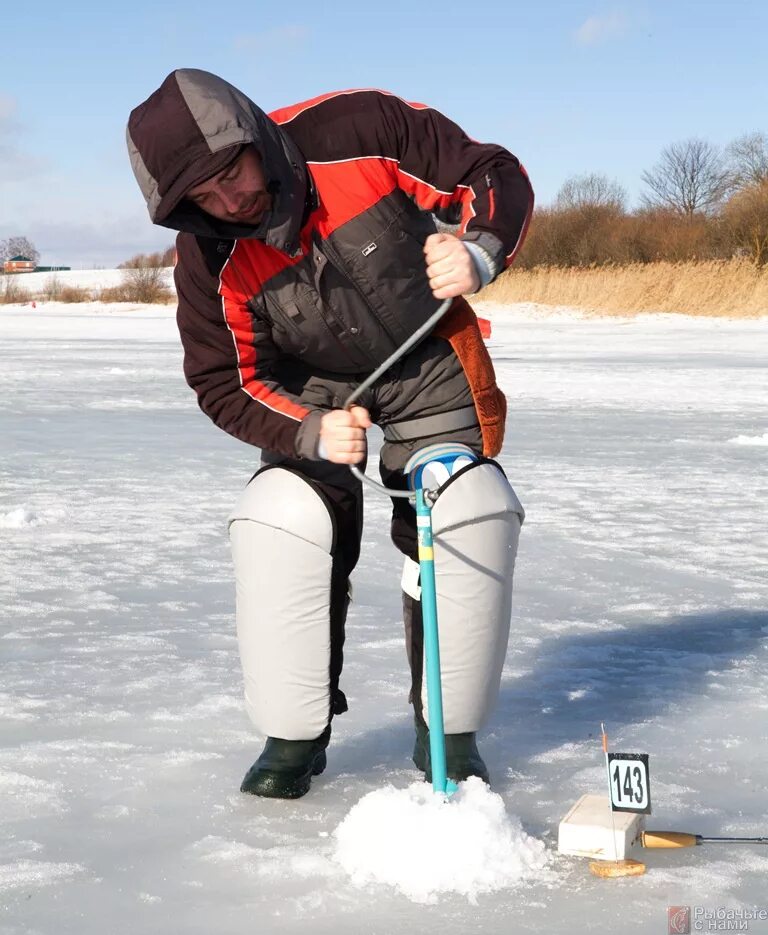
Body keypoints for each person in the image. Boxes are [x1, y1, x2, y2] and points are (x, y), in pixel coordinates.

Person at [127, 69, 533, 799]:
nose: (230, 202)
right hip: (310, 392)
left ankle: (449, 732)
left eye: (231, 174)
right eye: (205, 197)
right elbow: (224, 380)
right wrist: (310, 430)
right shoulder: (207, 258)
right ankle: (293, 734)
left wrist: (480, 247)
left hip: (427, 361)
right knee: (284, 520)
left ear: (252, 138)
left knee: (463, 508)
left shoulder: (357, 133)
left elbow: (490, 172)